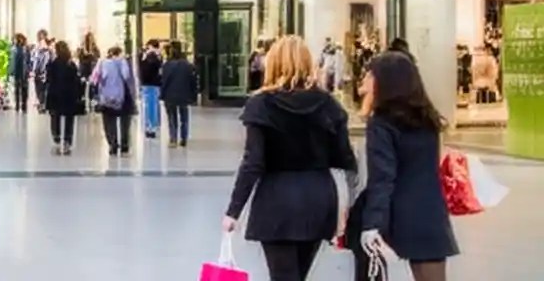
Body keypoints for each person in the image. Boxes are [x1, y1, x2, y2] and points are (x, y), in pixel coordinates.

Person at [222, 36, 356, 281]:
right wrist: (351, 205)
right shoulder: (327, 104)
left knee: (282, 275)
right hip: (318, 197)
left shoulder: (261, 105)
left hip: (276, 200)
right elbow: (345, 158)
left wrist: (234, 210)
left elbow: (253, 162)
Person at [351, 52, 458, 281]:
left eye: (371, 75)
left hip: (397, 213)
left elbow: (382, 178)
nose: (365, 81)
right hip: (429, 212)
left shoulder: (381, 124)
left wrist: (372, 224)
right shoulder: (428, 120)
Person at [92, 46, 137, 156]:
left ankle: (113, 144)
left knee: (108, 122)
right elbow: (127, 77)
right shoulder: (124, 63)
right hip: (123, 98)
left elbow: (94, 79)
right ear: (120, 53)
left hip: (107, 97)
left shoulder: (102, 63)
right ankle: (124, 146)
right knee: (125, 123)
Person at [44, 40, 83, 155]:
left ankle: (57, 138)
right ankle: (67, 140)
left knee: (55, 117)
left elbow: (49, 79)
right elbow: (76, 80)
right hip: (69, 96)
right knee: (69, 119)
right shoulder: (71, 64)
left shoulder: (53, 64)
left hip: (55, 95)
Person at [160, 41, 197, 147]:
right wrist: (193, 95)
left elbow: (164, 81)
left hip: (170, 95)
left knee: (172, 117)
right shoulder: (188, 65)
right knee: (184, 117)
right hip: (184, 95)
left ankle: (173, 138)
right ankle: (184, 138)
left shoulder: (167, 65)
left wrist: (162, 94)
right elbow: (192, 81)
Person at [138, 40, 163, 139]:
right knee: (153, 106)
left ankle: (150, 127)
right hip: (154, 85)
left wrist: (143, 60)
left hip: (149, 84)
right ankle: (153, 126)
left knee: (150, 107)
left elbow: (146, 71)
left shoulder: (151, 57)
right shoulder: (157, 56)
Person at [77, 33, 100, 112]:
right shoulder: (82, 48)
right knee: (82, 86)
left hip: (92, 70)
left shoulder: (95, 48)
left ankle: (92, 100)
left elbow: (97, 57)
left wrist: (91, 55)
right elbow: (80, 58)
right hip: (84, 70)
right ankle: (83, 101)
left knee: (92, 86)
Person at [31, 32, 53, 113]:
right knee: (38, 89)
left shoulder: (48, 52)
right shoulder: (36, 50)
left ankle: (42, 104)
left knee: (43, 89)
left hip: (44, 73)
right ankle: (41, 103)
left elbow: (49, 62)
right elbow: (33, 61)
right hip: (37, 72)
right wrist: (33, 70)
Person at [9, 34, 31, 112]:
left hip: (24, 72)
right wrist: (10, 71)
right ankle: (17, 105)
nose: (18, 40)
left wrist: (28, 70)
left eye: (20, 39)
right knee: (17, 90)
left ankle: (24, 105)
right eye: (17, 39)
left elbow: (29, 61)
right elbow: (11, 61)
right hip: (16, 72)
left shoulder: (26, 49)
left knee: (24, 89)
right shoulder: (13, 49)